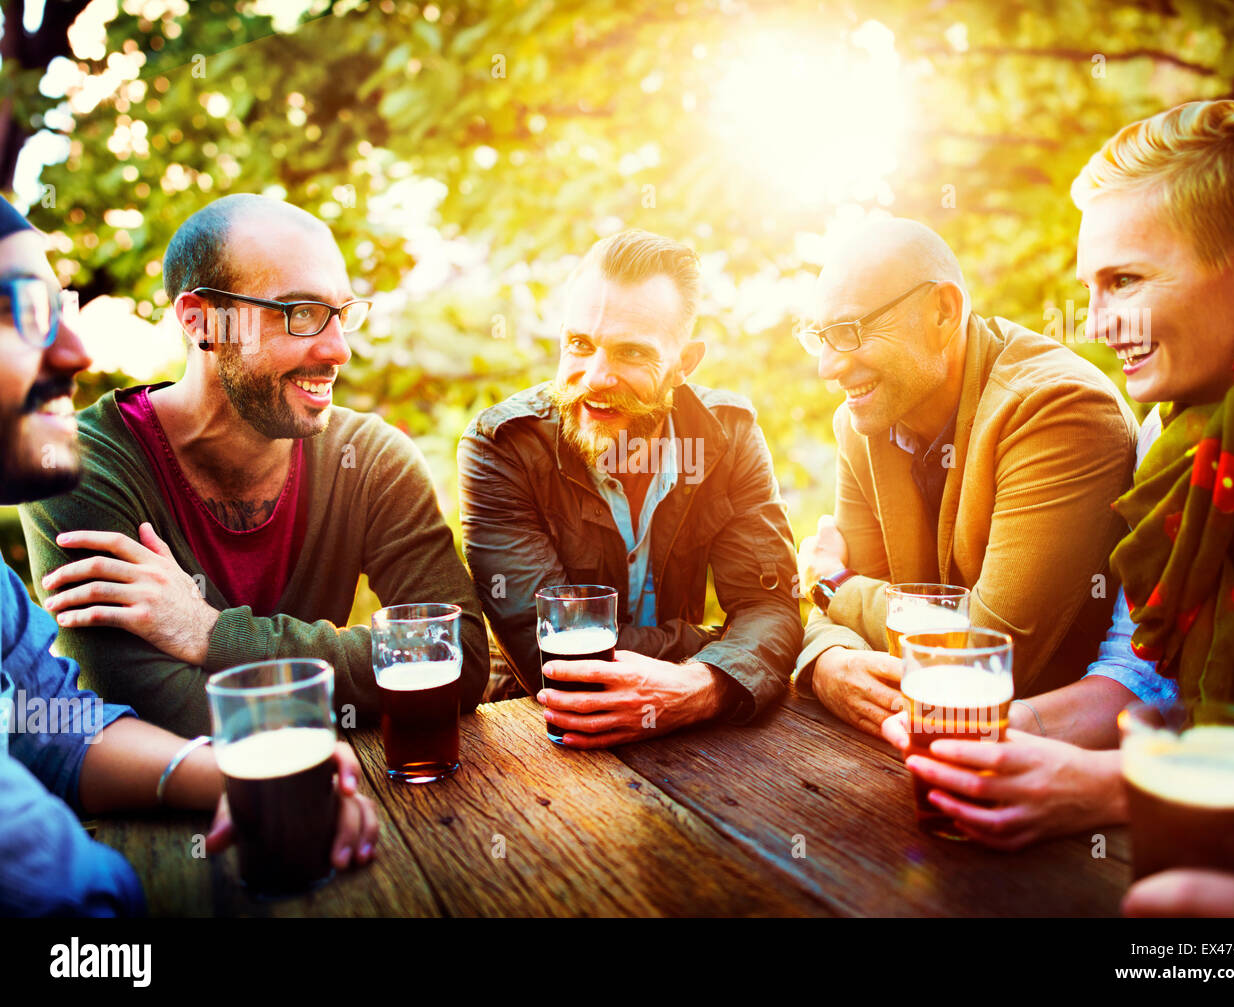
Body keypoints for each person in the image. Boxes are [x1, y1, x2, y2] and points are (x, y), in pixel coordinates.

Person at [885, 100, 1234, 858]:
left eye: (1126, 280)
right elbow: (1139, 675)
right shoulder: (1170, 439)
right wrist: (1005, 730)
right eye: (1091, 289)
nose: (1100, 324)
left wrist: (1118, 787)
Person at [0, 197, 376, 916]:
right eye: (21, 310)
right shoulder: (98, 467)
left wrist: (240, 772)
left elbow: (50, 724)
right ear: (199, 319)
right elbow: (141, 701)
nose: (76, 352)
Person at [19, 194, 488, 737]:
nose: (339, 350)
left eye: (341, 314)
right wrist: (357, 679)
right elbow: (152, 717)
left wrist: (214, 635)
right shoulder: (80, 465)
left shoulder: (370, 459)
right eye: (302, 314)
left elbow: (457, 658)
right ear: (201, 321)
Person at [794, 218, 1138, 737]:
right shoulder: (863, 422)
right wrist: (828, 656)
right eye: (819, 338)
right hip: (910, 741)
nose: (826, 367)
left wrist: (831, 584)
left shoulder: (1059, 408)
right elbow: (844, 619)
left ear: (943, 312)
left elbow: (986, 656)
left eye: (849, 332)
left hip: (1042, 750)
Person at [458, 229, 801, 747]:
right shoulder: (502, 446)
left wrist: (703, 685)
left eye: (631, 353)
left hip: (690, 733)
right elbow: (554, 652)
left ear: (684, 365)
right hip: (533, 727)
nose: (597, 377)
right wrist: (717, 646)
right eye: (579, 344)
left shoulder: (728, 435)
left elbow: (770, 607)